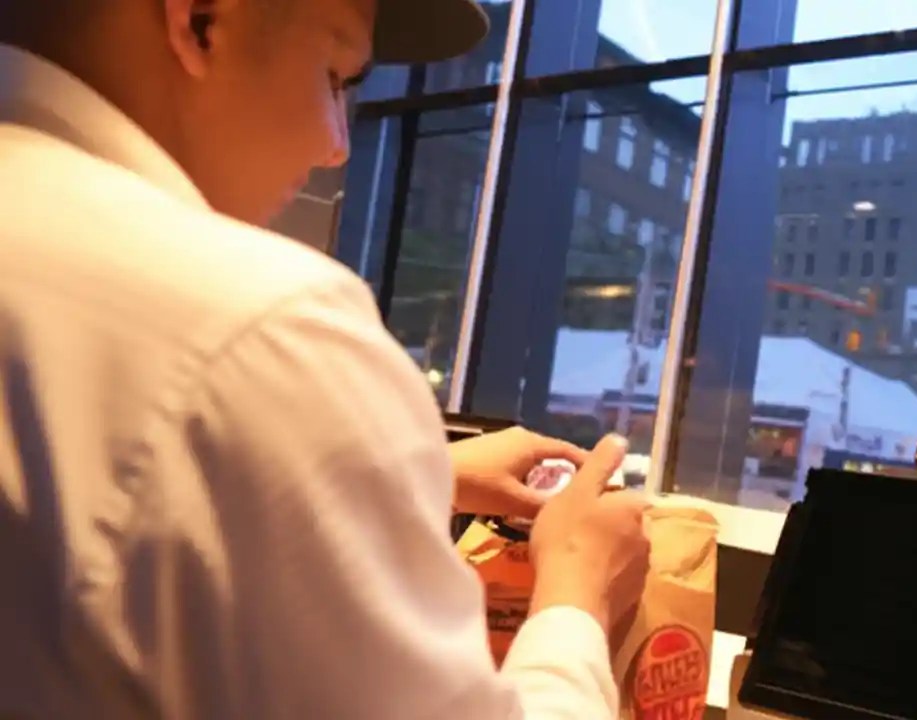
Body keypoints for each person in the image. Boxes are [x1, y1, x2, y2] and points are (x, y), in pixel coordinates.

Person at [0, 0, 651, 718]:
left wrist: (413, 474)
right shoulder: (258, 326)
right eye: (336, 75)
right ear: (201, 20)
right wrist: (577, 596)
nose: (336, 145)